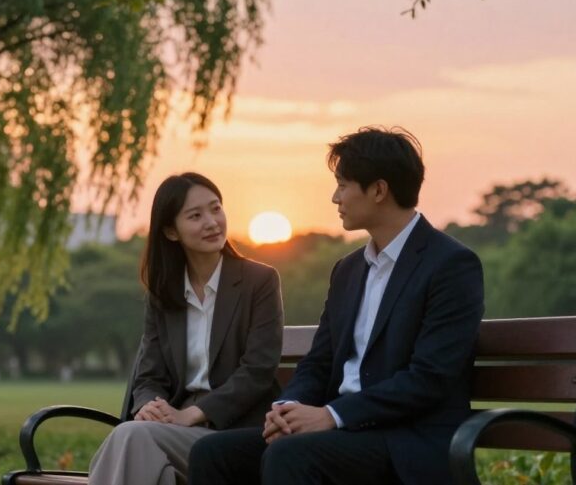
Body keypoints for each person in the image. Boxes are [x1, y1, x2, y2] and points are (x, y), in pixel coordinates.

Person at [188, 127, 485, 485]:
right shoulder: (348, 270)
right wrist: (289, 407)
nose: (334, 197)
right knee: (213, 453)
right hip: (343, 431)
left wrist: (332, 415)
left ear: (378, 190)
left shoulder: (451, 265)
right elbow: (320, 361)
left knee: (290, 456)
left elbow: (429, 378)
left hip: (408, 440)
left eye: (343, 185)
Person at [89, 172, 284, 485]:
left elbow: (257, 371)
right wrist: (150, 407)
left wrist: (191, 415)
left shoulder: (258, 281)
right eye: (195, 216)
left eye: (216, 208)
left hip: (234, 433)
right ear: (171, 231)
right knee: (147, 457)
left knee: (133, 441)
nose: (211, 222)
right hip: (173, 429)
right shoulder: (163, 293)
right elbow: (149, 375)